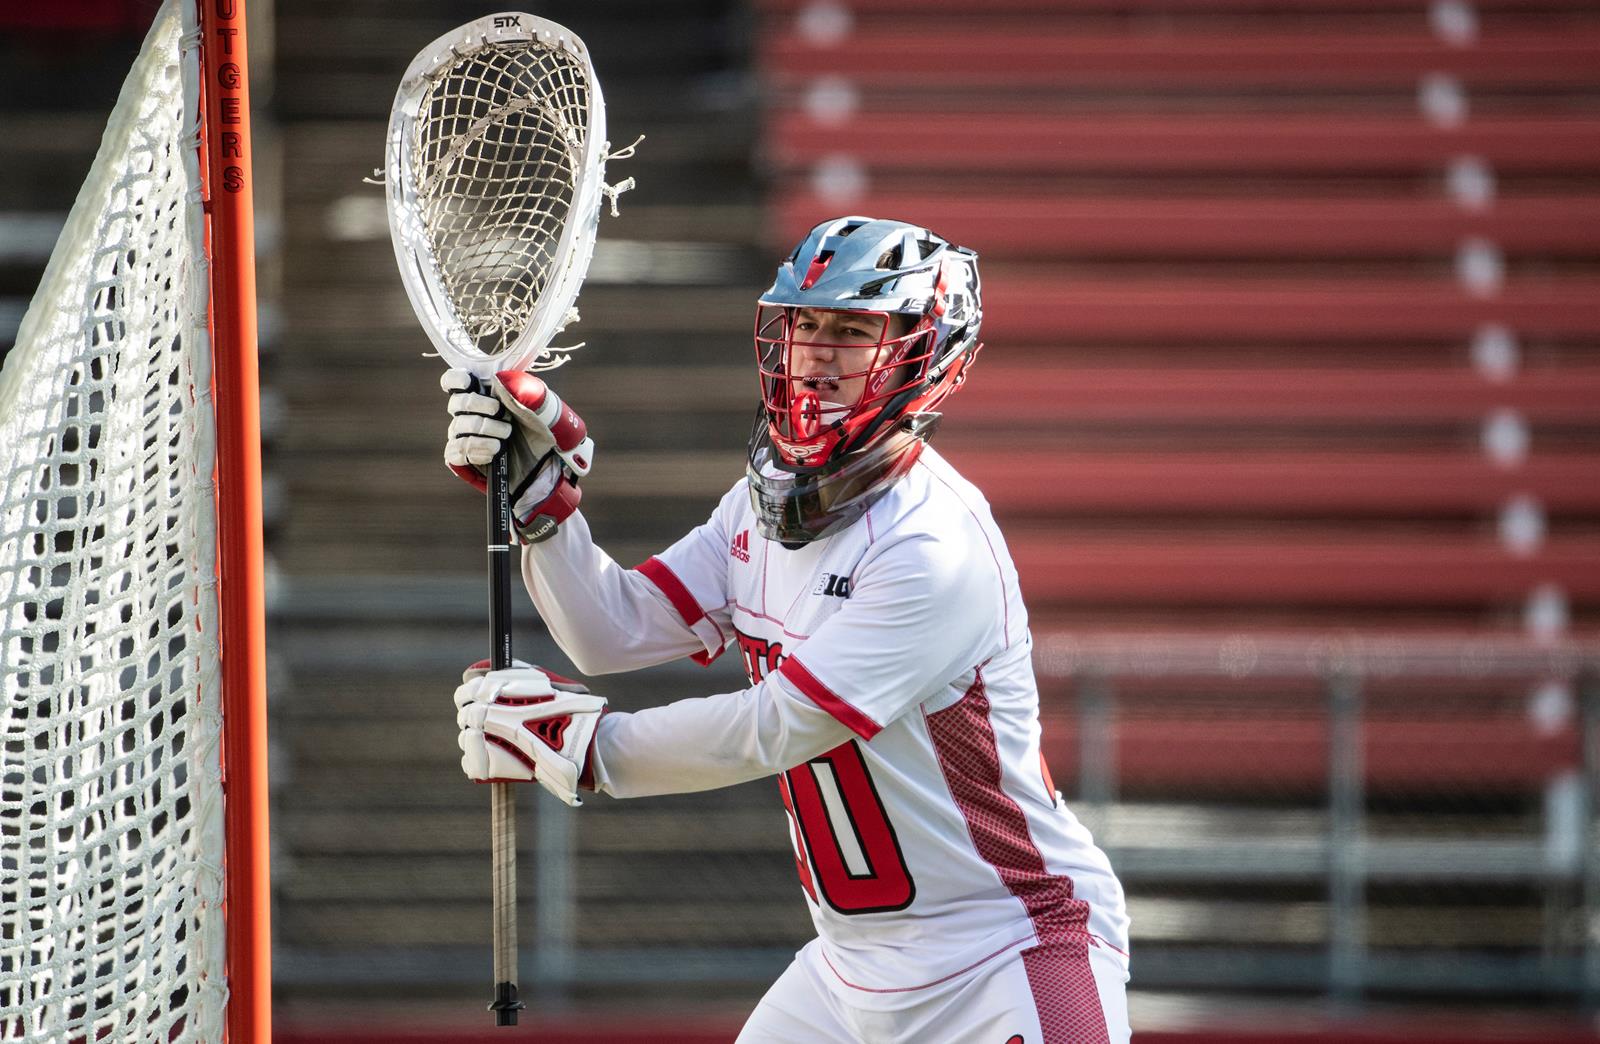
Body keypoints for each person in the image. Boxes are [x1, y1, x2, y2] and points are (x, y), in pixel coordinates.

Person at [441, 216, 1131, 1043]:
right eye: (805, 324)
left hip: (1003, 956)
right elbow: (609, 632)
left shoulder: (934, 545)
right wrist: (544, 511)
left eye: (851, 329)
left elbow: (783, 726)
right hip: (846, 972)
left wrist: (582, 748)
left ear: (927, 351)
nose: (815, 352)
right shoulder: (758, 509)